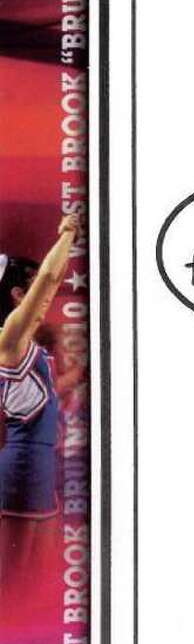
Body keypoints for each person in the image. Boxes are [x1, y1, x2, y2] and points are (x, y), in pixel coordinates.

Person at [0, 213, 80, 581]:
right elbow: (49, 280)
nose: (42, 294)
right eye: (29, 287)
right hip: (21, 467)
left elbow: (45, 399)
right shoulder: (10, 338)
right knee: (15, 579)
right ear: (17, 295)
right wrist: (68, 232)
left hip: (39, 465)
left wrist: (79, 374)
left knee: (40, 575)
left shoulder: (25, 345)